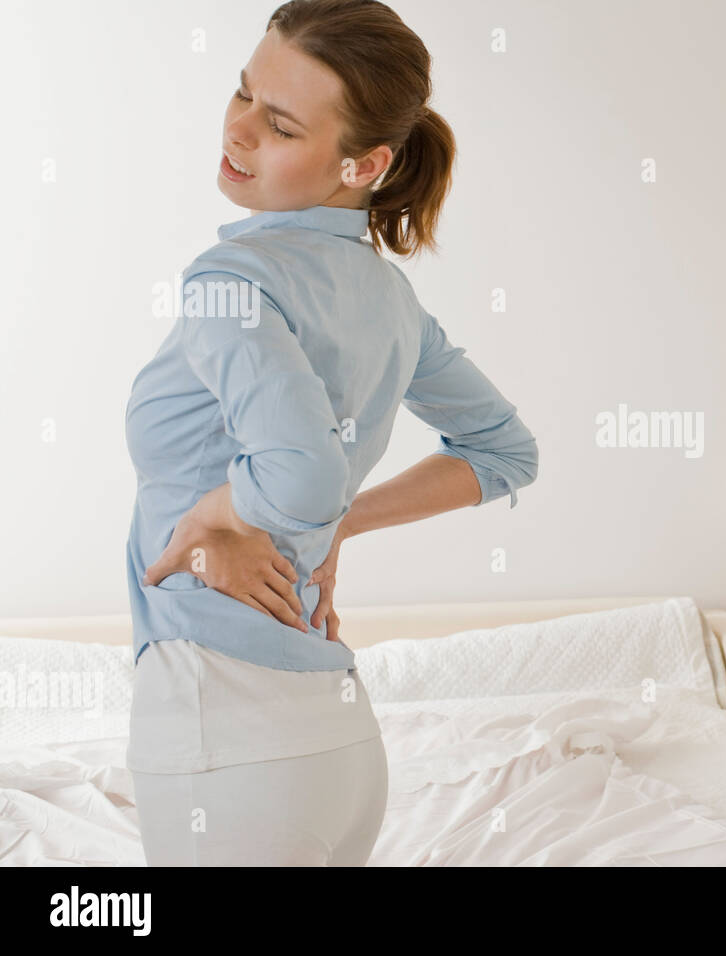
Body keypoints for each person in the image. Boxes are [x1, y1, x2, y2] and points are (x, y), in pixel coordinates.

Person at [123, 0, 539, 866]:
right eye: (243, 93)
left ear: (366, 163)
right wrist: (333, 523)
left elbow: (303, 473)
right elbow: (505, 452)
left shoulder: (229, 278)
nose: (237, 130)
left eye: (277, 124)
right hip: (335, 747)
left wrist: (217, 514)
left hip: (225, 732)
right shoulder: (387, 298)